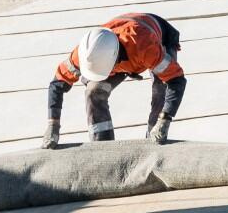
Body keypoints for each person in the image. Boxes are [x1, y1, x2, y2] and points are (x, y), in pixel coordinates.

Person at [42, 11, 187, 148]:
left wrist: (165, 119)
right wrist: (52, 124)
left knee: (161, 91)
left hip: (156, 37)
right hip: (122, 50)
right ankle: (103, 147)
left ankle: (153, 144)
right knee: (93, 92)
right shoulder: (86, 52)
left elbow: (176, 79)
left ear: (114, 60)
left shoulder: (145, 46)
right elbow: (57, 84)